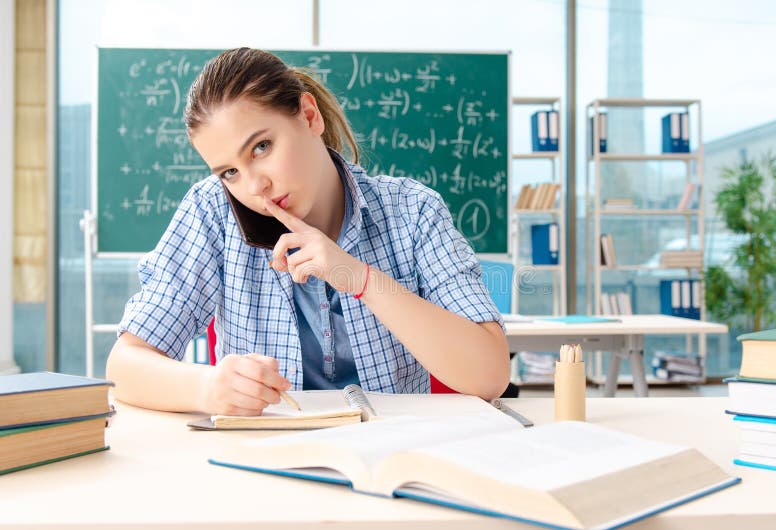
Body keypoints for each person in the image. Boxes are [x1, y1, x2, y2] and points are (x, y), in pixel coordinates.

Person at [106, 47, 509, 416]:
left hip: (391, 462)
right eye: (229, 172)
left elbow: (489, 375)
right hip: (265, 464)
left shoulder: (413, 211)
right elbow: (123, 365)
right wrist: (207, 387)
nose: (254, 187)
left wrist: (359, 278)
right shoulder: (211, 211)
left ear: (309, 116)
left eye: (261, 147)